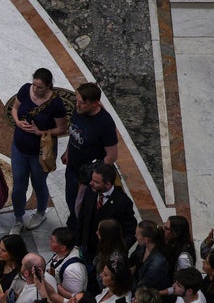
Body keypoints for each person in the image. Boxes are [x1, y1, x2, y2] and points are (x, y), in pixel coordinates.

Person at [10, 68, 68, 233]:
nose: (35, 90)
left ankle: (41, 212)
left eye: (40, 87)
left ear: (49, 86)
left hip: (40, 153)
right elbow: (14, 109)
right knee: (19, 186)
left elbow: (62, 128)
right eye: (34, 85)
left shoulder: (55, 104)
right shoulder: (24, 90)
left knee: (38, 183)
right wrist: (18, 123)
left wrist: (41, 132)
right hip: (19, 148)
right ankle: (18, 218)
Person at [62, 83, 118, 225]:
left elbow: (111, 156)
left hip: (87, 177)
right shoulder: (79, 110)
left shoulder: (105, 123)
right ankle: (74, 223)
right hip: (72, 168)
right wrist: (68, 151)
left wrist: (92, 175)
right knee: (70, 200)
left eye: (82, 103)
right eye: (77, 101)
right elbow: (74, 131)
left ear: (94, 103)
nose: (78, 105)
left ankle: (80, 231)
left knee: (82, 208)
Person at [75, 163, 136, 258]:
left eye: (96, 182)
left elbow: (130, 232)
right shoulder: (90, 191)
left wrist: (118, 252)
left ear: (107, 184)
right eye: (92, 179)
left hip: (105, 254)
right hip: (87, 248)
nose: (91, 183)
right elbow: (82, 217)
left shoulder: (123, 203)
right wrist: (78, 243)